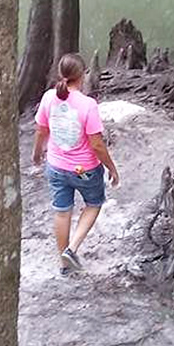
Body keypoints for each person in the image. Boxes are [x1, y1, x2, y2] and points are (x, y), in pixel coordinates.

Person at [33, 53, 119, 274]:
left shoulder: (48, 98)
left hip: (56, 166)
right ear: (82, 75)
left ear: (60, 74)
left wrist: (37, 153)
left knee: (62, 212)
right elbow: (97, 145)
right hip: (83, 169)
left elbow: (41, 130)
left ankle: (64, 266)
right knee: (94, 203)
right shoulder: (88, 105)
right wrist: (111, 167)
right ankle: (70, 250)